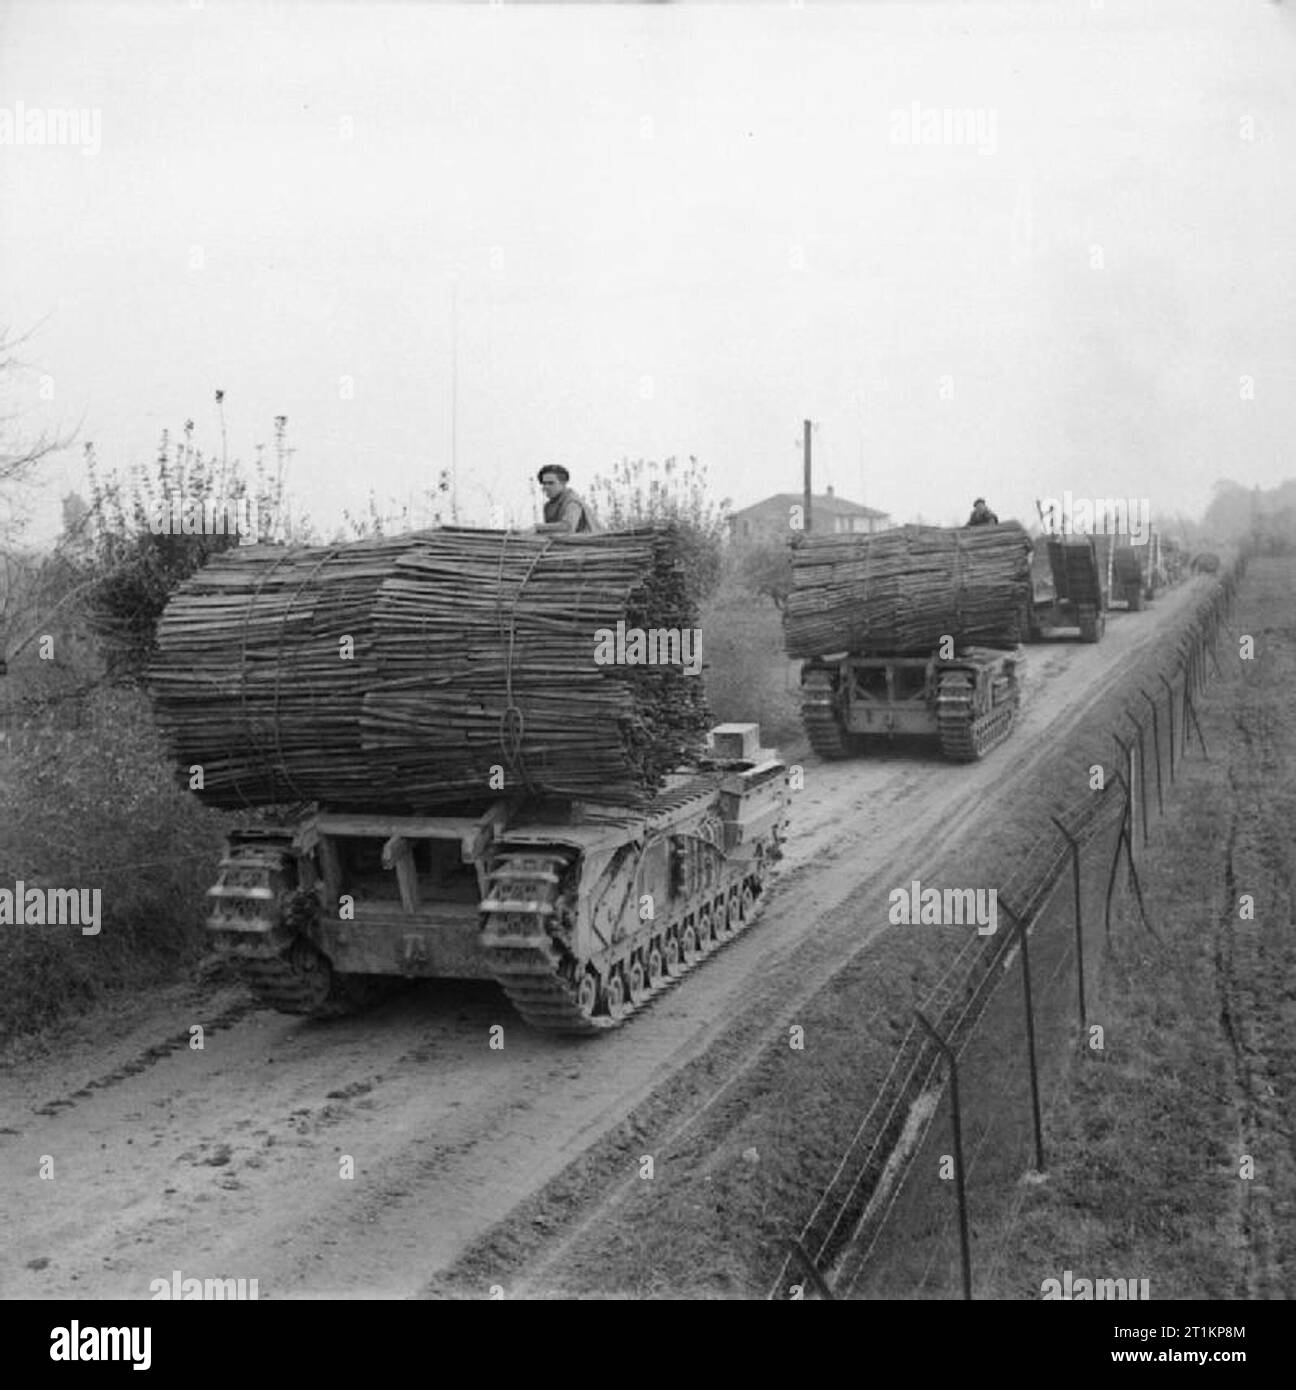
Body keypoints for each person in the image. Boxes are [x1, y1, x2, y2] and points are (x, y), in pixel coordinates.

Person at [535, 465, 598, 533]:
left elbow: (568, 527)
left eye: (551, 483)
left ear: (563, 483)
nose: (546, 487)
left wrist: (538, 527)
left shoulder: (572, 502)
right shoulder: (549, 506)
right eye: (544, 484)